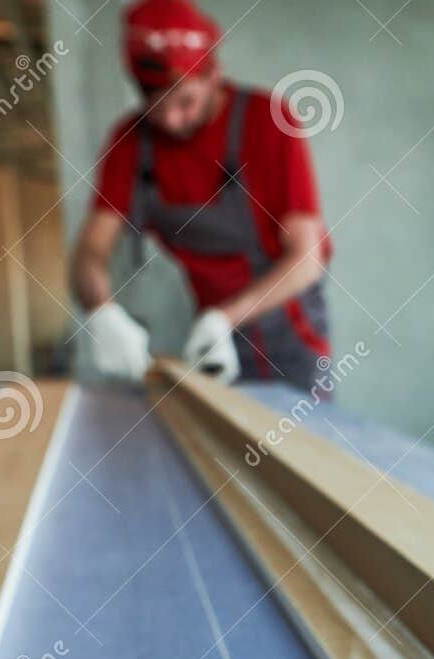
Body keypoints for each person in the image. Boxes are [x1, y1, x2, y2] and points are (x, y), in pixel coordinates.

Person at [69, 0, 332, 389]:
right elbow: (90, 253)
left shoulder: (269, 122)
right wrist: (101, 312)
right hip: (208, 338)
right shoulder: (130, 143)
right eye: (156, 108)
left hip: (290, 332)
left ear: (214, 73)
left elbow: (307, 259)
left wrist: (223, 318)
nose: (172, 121)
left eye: (185, 102)